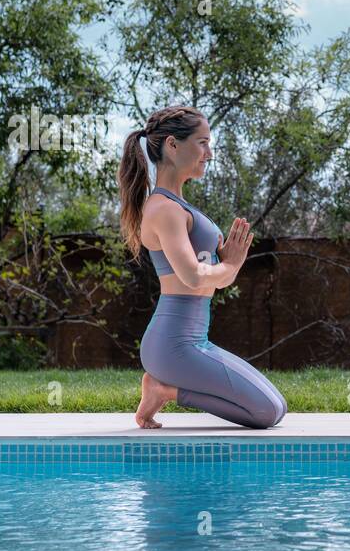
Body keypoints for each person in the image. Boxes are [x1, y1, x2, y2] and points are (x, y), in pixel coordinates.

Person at [116, 105, 287, 429]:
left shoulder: (178, 206)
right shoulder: (164, 209)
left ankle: (162, 387)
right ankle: (164, 389)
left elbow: (213, 277)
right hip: (173, 345)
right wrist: (231, 264)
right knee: (265, 413)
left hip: (194, 340)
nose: (209, 153)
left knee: (277, 407)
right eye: (203, 142)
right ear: (173, 144)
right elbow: (194, 276)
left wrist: (228, 265)